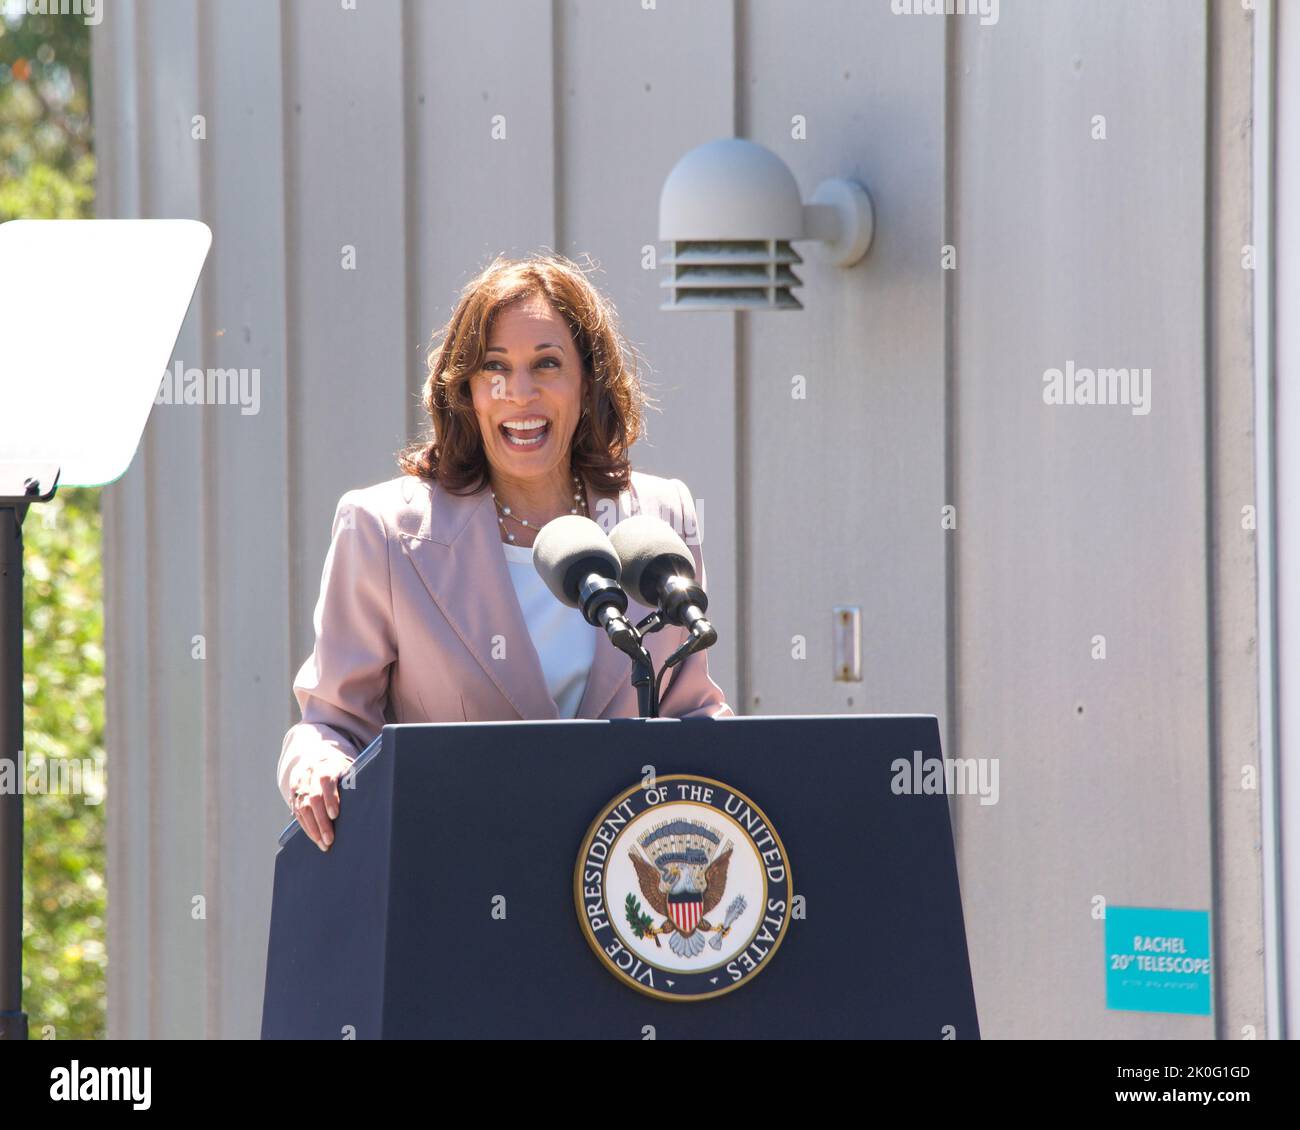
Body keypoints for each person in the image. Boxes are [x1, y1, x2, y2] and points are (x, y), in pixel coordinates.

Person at [278, 252, 734, 850]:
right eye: (495, 368)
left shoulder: (660, 516)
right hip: (455, 875)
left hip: (620, 898)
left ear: (588, 381)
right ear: (466, 389)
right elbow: (333, 723)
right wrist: (316, 766)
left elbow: (692, 712)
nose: (520, 394)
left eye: (547, 364)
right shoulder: (383, 531)